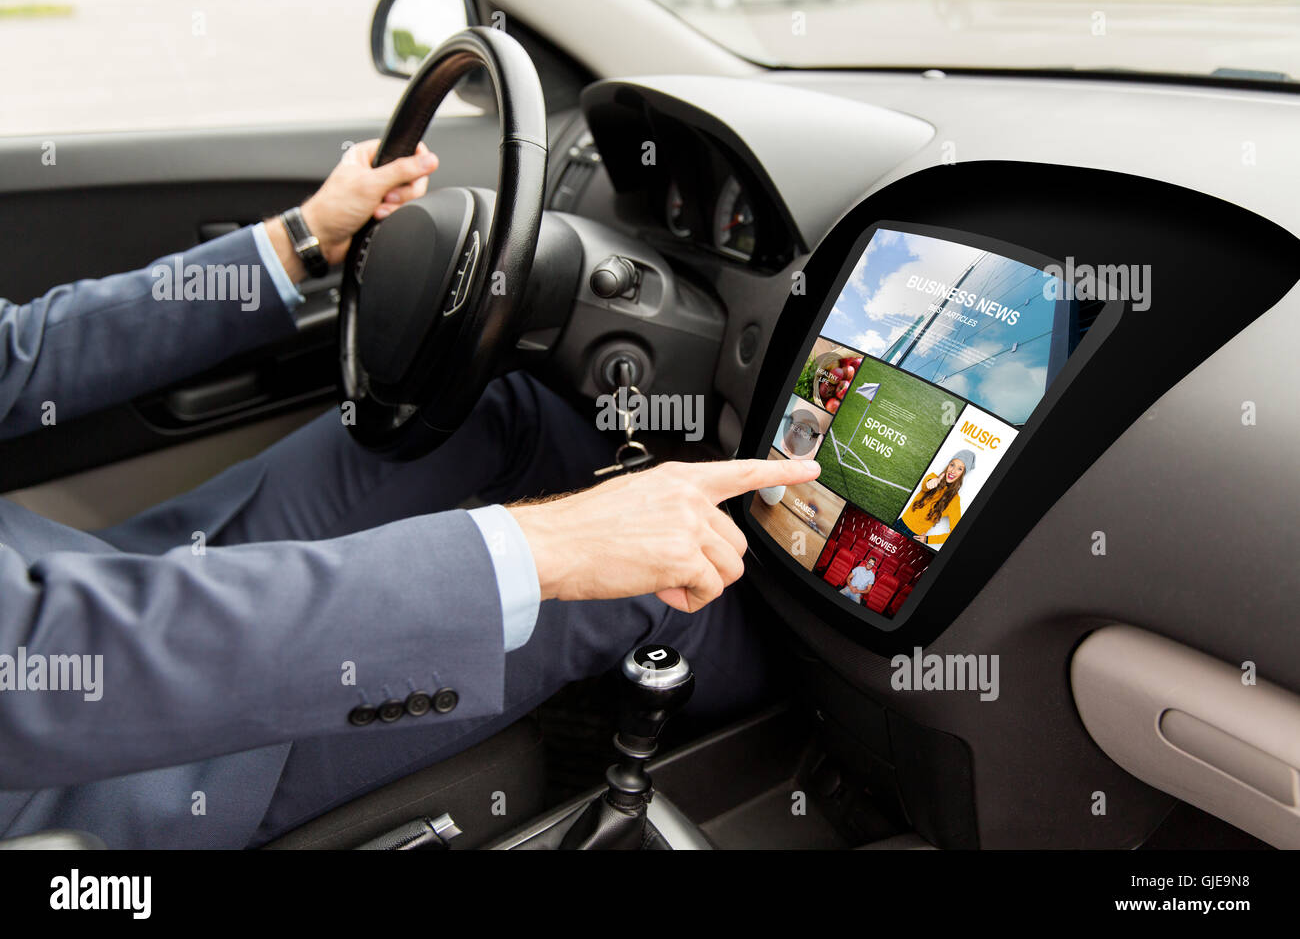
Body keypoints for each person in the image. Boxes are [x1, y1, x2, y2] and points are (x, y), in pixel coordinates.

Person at [0, 141, 817, 848]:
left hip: (88, 576)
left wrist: (303, 238)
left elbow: (15, 356)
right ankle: (814, 746)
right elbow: (39, 662)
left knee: (506, 418)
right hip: (99, 755)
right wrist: (554, 546)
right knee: (642, 584)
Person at [894, 450, 973, 546]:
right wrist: (930, 483)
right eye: (952, 465)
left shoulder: (954, 500)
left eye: (959, 469)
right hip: (899, 524)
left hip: (914, 537)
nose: (953, 471)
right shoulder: (932, 477)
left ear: (963, 474)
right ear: (948, 465)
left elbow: (956, 533)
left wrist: (928, 540)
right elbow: (925, 485)